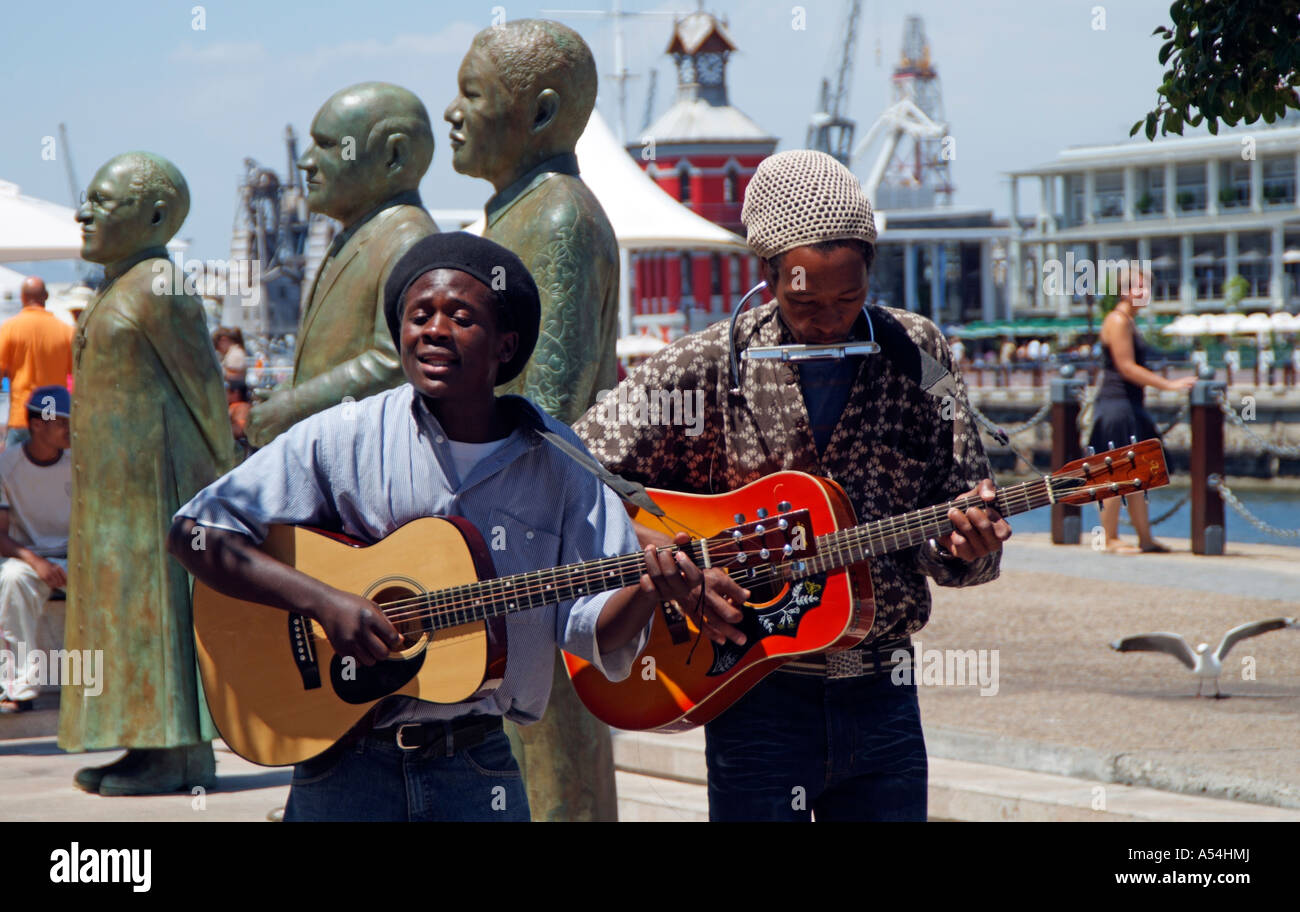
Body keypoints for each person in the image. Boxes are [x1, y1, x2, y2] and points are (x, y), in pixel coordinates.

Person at [169, 233, 673, 822]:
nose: (434, 329)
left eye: (461, 317)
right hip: (343, 767)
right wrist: (327, 603)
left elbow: (594, 629)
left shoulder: (561, 463)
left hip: (475, 767)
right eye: (419, 315)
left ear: (505, 345)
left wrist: (647, 590)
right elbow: (195, 532)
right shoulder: (347, 433)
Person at [573, 150, 1010, 822]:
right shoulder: (704, 365)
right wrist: (668, 558)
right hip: (752, 689)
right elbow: (575, 470)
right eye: (804, 300)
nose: (829, 318)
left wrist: (966, 547)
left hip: (882, 685)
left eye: (850, 297)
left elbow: (956, 522)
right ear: (767, 275)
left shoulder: (918, 355)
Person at [444, 18, 622, 820]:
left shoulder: (559, 220)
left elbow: (546, 396)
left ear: (542, 113)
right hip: (504, 523)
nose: (453, 111)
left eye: (472, 95)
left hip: (543, 531)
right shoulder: (514, 212)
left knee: (550, 746)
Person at [62, 151, 237, 795]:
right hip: (115, 494)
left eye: (103, 202)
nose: (84, 213)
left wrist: (224, 484)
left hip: (156, 491)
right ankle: (148, 742)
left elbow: (205, 394)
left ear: (155, 216)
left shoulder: (161, 287)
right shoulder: (121, 282)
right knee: (122, 616)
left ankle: (180, 754)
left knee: (157, 612)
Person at [244, 82, 439, 448]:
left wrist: (295, 405)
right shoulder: (363, 234)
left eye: (328, 145)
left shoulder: (406, 239)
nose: (306, 161)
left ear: (394, 155)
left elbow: (397, 359)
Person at [1088, 264, 1196, 554]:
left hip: (1130, 404)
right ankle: (1109, 537)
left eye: (1146, 287)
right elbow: (1126, 367)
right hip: (1116, 404)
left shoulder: (1129, 321)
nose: (1144, 292)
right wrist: (1168, 385)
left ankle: (1145, 537)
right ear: (1124, 291)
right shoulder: (1118, 320)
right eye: (1137, 286)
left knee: (1138, 473)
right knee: (1117, 472)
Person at [0, 386, 71, 713]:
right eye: (62, 422)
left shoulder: (82, 463)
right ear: (38, 424)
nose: (69, 430)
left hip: (80, 558)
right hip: (30, 560)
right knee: (12, 579)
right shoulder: (7, 466)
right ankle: (20, 688)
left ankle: (115, 686)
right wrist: (36, 561)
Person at [0, 277, 74, 449]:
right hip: (55, 417)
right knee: (56, 473)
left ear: (22, 298)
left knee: (13, 473)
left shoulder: (8, 329)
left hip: (23, 417)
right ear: (46, 296)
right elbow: (79, 374)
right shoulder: (66, 331)